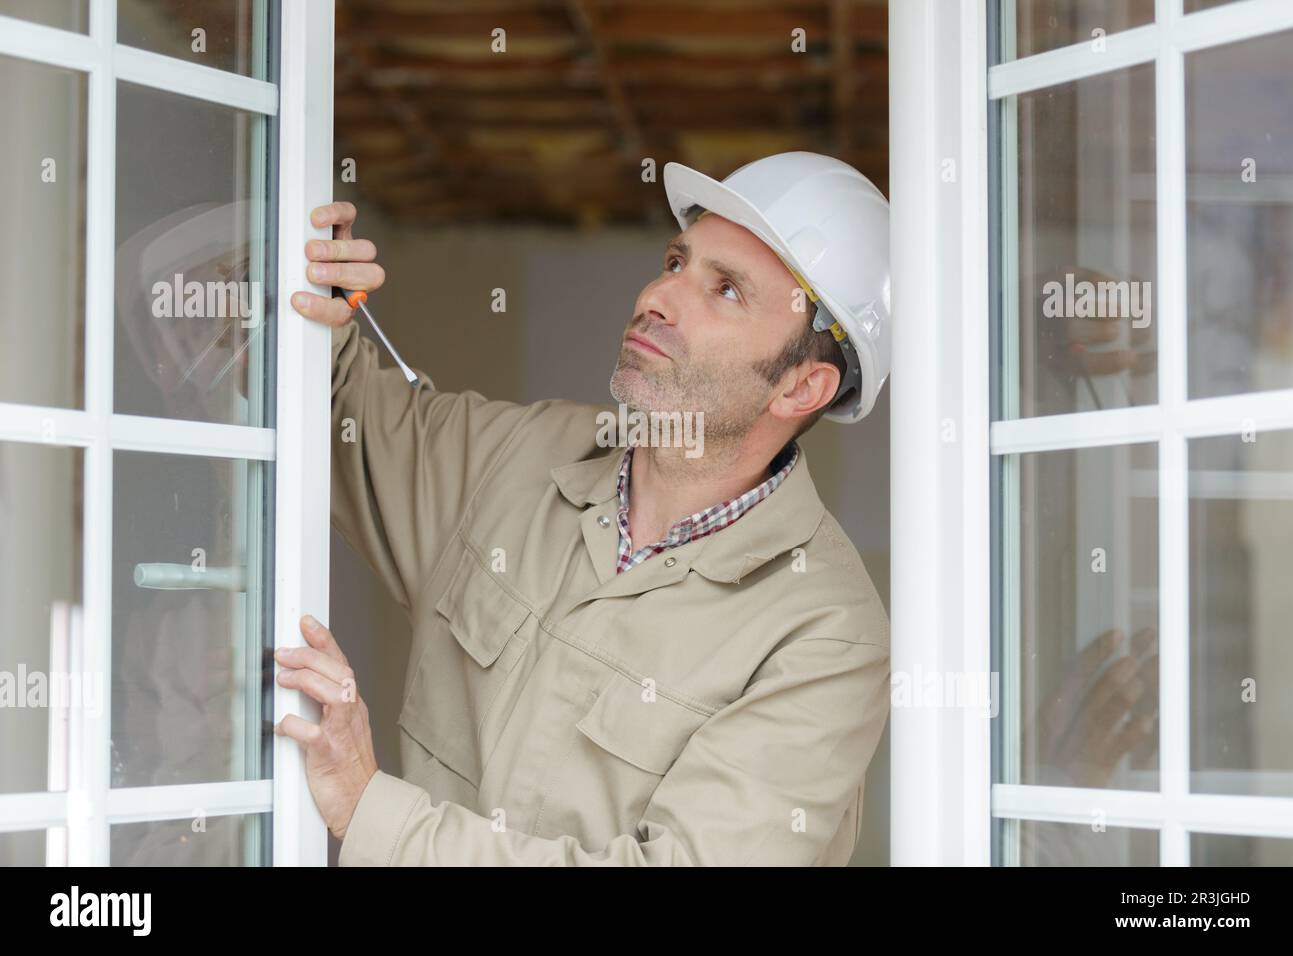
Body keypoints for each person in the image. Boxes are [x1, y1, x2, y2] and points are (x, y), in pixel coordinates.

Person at [276, 152, 894, 865]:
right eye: (676, 261)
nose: (658, 296)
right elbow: (327, 409)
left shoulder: (825, 634)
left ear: (800, 388)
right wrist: (308, 278)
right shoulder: (518, 455)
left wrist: (369, 810)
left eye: (725, 290)